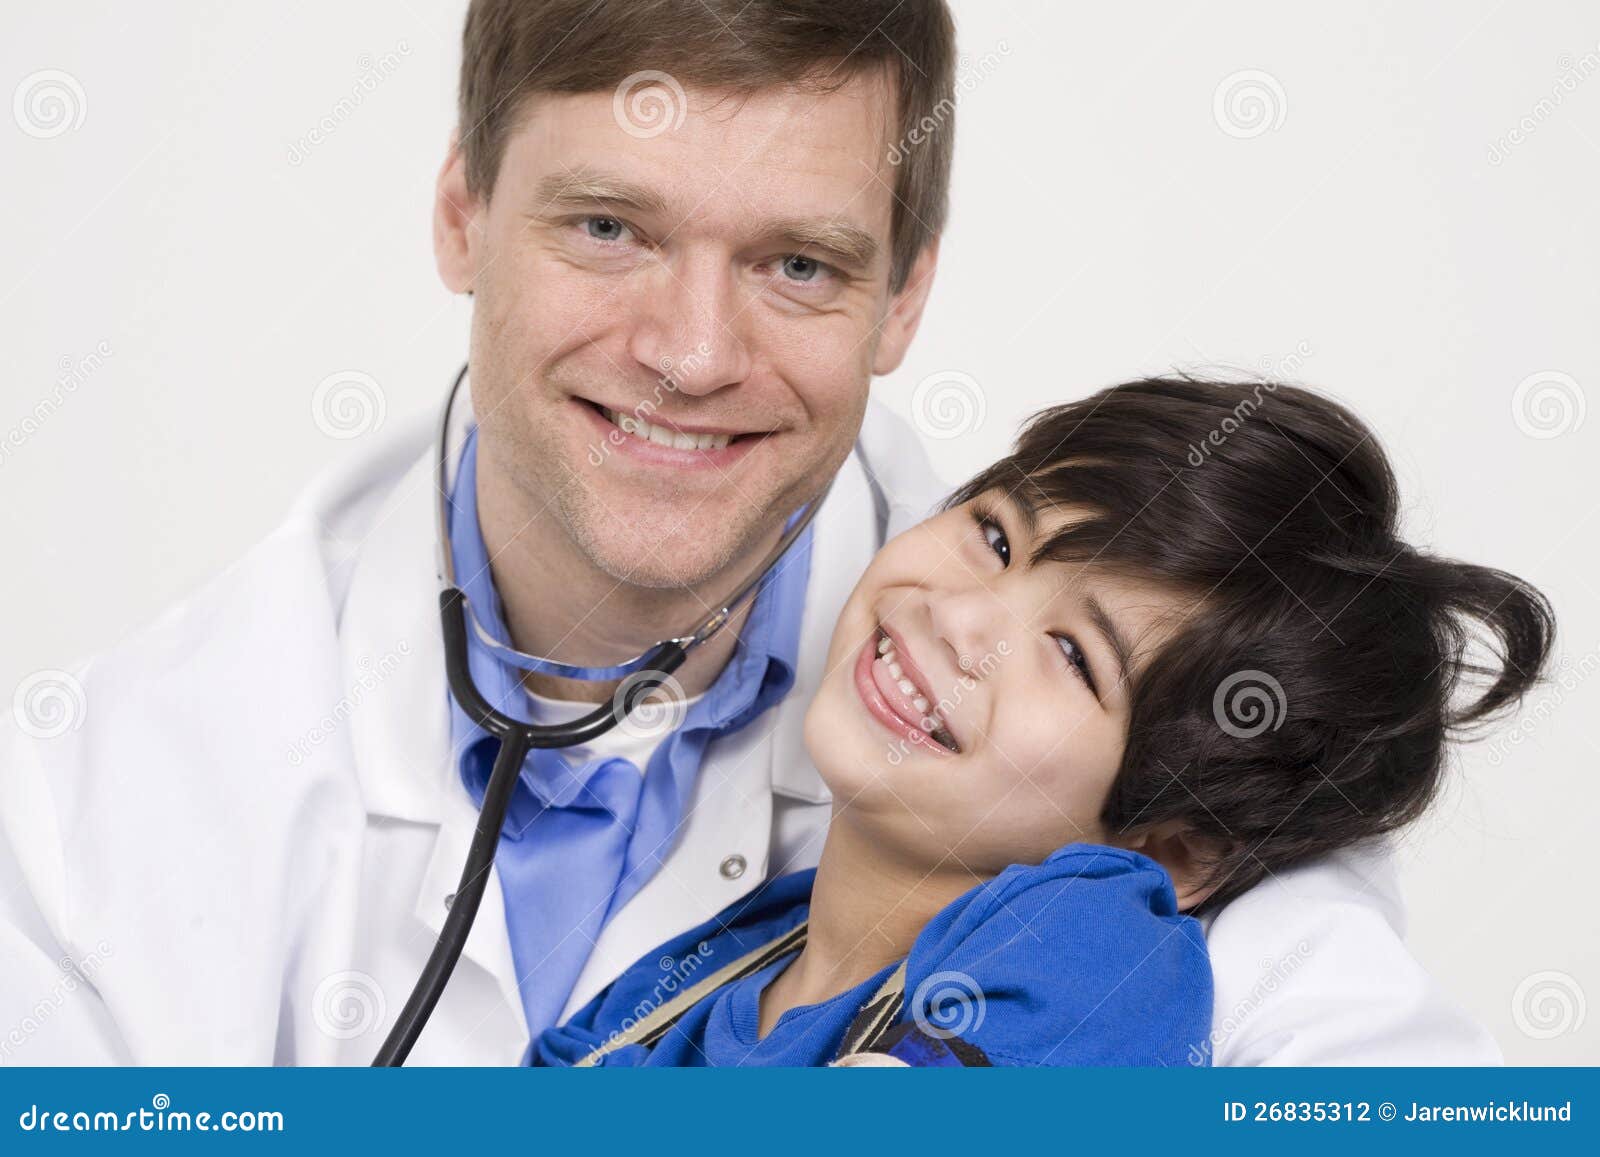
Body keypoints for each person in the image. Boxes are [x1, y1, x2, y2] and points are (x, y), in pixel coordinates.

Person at [0, 0, 1504, 1066]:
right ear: (462, 212)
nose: (695, 352)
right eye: (611, 228)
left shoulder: (1123, 742)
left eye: (797, 262)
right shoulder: (93, 818)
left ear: (904, 293)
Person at [532, 378, 1553, 1067]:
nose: (960, 616)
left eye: (1074, 655)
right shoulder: (733, 955)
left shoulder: (1089, 957)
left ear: (1168, 846)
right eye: (994, 534)